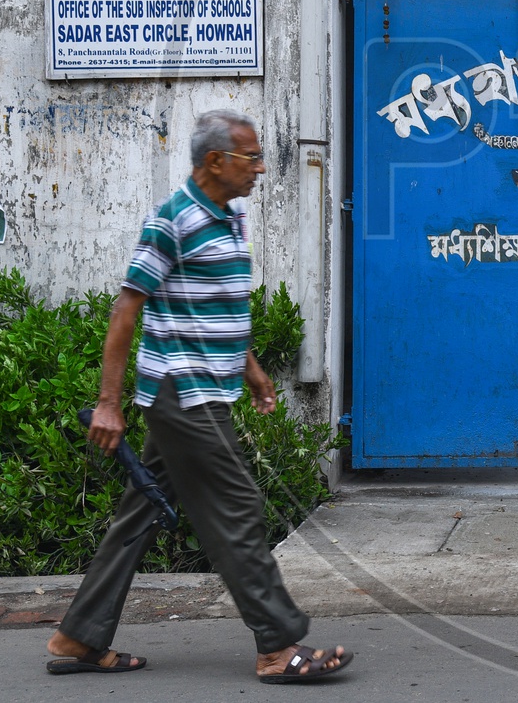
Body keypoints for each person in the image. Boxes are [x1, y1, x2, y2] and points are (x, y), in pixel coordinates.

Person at [45, 109, 351, 684]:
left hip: (207, 389)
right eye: (251, 157)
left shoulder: (230, 217)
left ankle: (78, 637)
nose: (261, 168)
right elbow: (126, 308)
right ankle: (277, 647)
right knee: (238, 506)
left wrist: (253, 371)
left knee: (141, 512)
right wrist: (109, 403)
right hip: (183, 394)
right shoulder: (173, 221)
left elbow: (217, 309)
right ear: (215, 162)